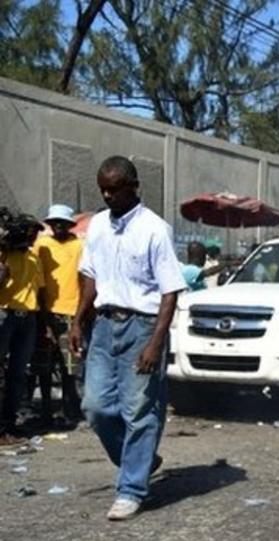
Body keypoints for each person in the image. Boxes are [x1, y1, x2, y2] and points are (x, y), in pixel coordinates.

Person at [68, 156, 186, 520]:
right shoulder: (98, 226)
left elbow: (170, 292)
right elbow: (90, 276)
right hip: (103, 325)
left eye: (114, 189)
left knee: (139, 411)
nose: (107, 196)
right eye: (102, 188)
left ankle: (131, 489)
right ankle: (142, 461)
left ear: (133, 186)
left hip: (142, 327)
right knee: (96, 406)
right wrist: (77, 319)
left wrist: (154, 343)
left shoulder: (155, 229)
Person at [33, 204, 84, 425]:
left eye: (62, 223)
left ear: (70, 224)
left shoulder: (80, 245)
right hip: (45, 312)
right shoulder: (42, 245)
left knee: (69, 367)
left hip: (71, 313)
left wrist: (80, 319)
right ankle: (46, 409)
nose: (58, 227)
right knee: (44, 365)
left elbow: (85, 279)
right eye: (55, 223)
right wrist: (42, 317)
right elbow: (38, 280)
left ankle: (68, 408)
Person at [0, 213, 47, 441]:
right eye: (31, 233)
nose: (33, 237)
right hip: (4, 315)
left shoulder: (33, 259)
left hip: (27, 318)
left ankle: (9, 424)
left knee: (18, 373)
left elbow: (39, 290)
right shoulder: (4, 255)